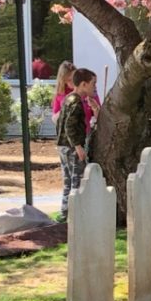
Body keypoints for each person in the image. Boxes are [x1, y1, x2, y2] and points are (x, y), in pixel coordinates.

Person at [54, 67, 97, 221]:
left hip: (63, 145)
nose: (94, 87)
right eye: (93, 84)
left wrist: (96, 109)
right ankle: (74, 216)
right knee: (76, 181)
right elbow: (69, 126)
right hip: (72, 147)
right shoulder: (76, 102)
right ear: (84, 84)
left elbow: (60, 122)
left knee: (67, 181)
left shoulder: (69, 98)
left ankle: (65, 213)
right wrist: (78, 147)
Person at [53, 60, 99, 131]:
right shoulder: (61, 94)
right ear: (63, 80)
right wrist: (66, 107)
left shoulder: (87, 90)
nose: (73, 82)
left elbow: (100, 117)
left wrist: (95, 107)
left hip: (87, 134)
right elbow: (54, 119)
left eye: (74, 78)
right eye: (69, 80)